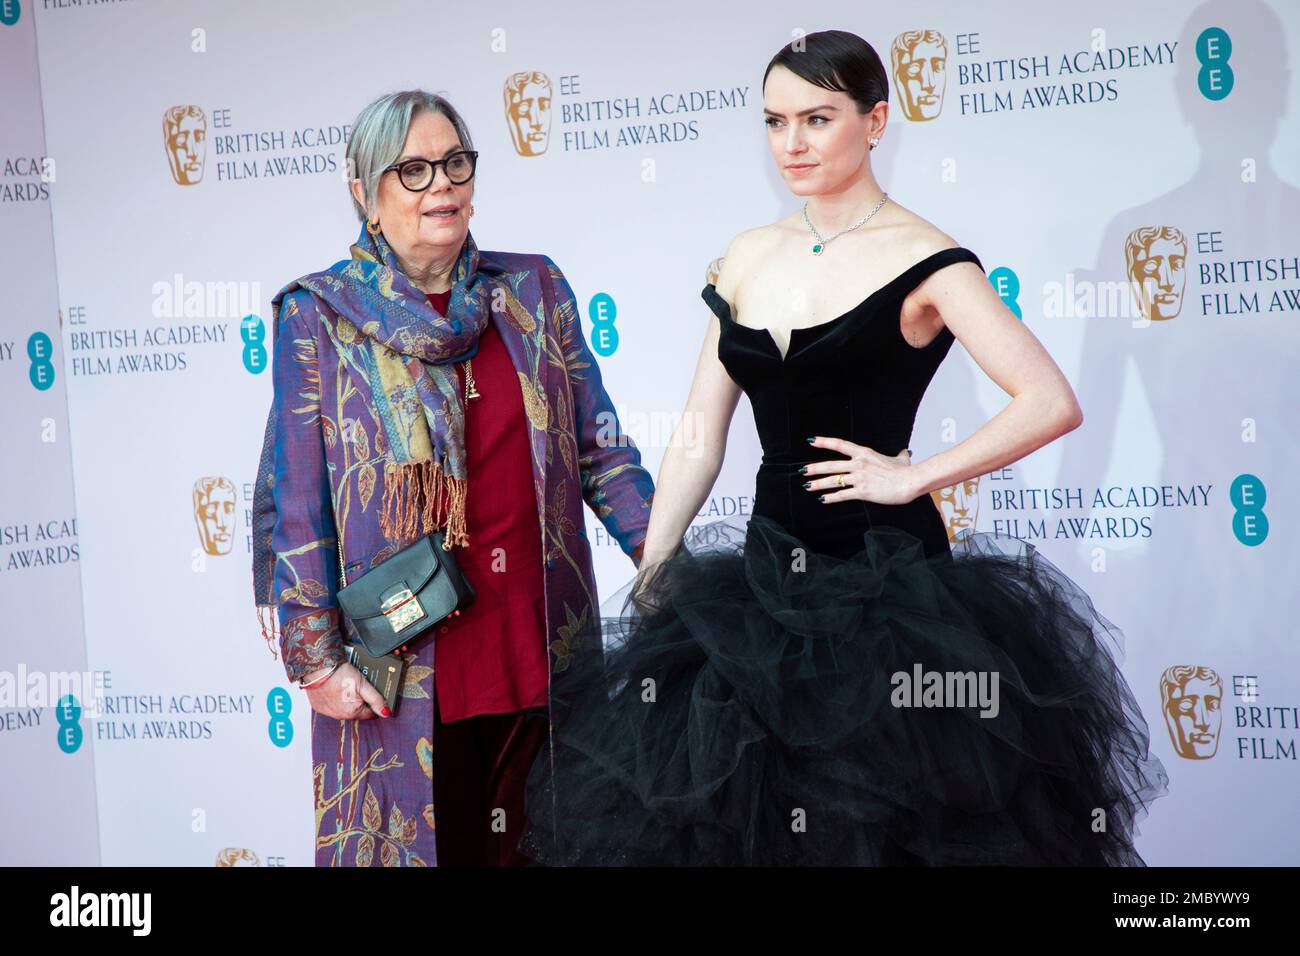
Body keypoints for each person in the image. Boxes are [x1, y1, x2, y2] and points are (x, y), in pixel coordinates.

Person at [517, 31, 1169, 866]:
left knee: (890, 822)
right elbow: (696, 435)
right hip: (757, 584)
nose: (792, 143)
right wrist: (657, 559)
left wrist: (915, 476)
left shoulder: (928, 259)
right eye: (775, 121)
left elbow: (1050, 400)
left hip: (887, 591)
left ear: (876, 121)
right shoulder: (748, 255)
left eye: (817, 119)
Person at [250, 90, 654, 867]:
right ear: (366, 196)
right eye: (412, 170)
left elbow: (601, 454)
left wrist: (668, 561)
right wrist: (314, 660)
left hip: (541, 650)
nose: (442, 184)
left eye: (454, 162)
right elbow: (298, 503)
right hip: (397, 673)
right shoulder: (321, 316)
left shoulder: (533, 292)